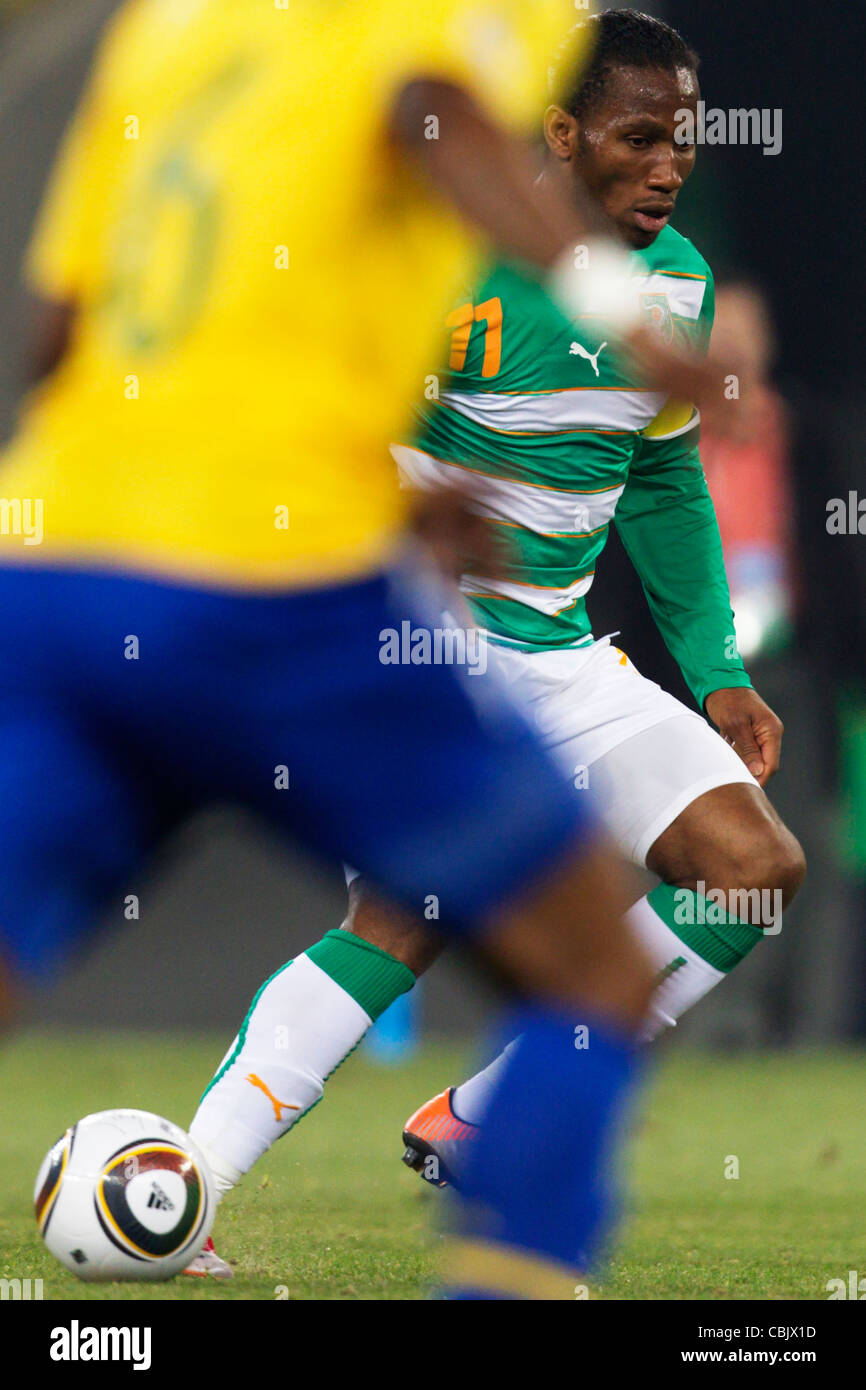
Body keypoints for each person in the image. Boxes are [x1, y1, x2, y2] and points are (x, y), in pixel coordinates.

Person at [0, 0, 724, 1300]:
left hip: (60, 554)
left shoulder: (164, 31)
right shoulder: (447, 20)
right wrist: (608, 300)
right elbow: (431, 108)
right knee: (580, 968)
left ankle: (230, 1171)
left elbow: (55, 332)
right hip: (273, 582)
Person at [184, 9, 805, 1273]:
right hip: (433, 651)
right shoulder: (445, 264)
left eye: (683, 139)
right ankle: (183, 1184)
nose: (668, 163)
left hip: (568, 654)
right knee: (404, 922)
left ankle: (483, 1118)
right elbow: (325, 425)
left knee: (749, 864)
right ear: (561, 133)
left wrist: (720, 673)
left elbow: (665, 488)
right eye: (640, 136)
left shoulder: (674, 279)